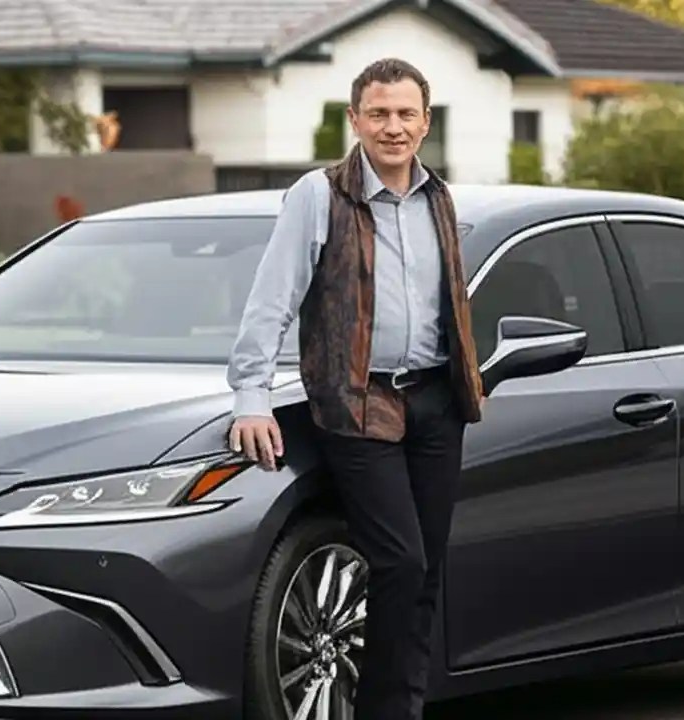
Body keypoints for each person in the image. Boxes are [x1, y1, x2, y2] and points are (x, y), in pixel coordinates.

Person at [226, 58, 485, 720]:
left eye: (405, 114)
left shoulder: (439, 197)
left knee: (425, 572)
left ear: (425, 123)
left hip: (436, 402)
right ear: (355, 120)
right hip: (358, 402)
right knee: (399, 562)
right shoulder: (319, 196)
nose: (392, 127)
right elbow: (273, 299)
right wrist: (251, 394)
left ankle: (402, 707)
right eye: (379, 114)